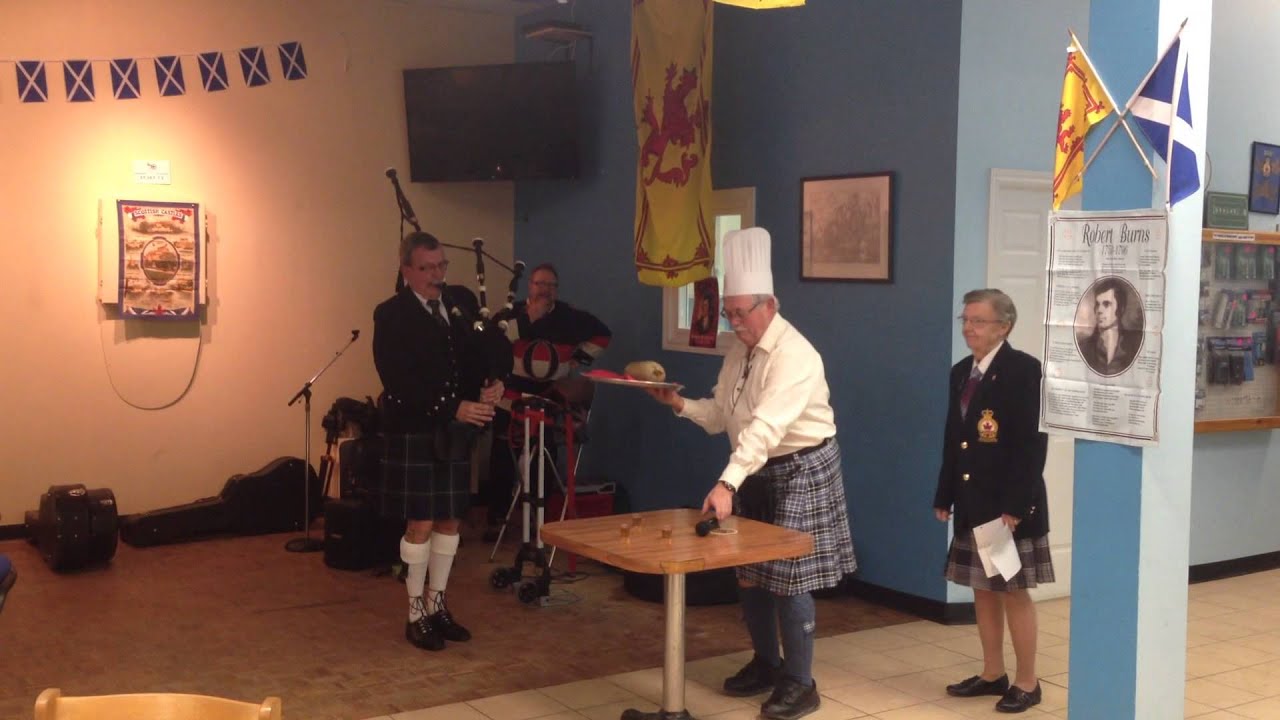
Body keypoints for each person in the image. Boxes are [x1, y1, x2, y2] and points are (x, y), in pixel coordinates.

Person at [645, 227, 855, 720]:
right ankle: (766, 663)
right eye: (729, 313)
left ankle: (801, 684)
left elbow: (764, 428)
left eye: (743, 313)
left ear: (771, 304)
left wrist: (726, 482)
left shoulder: (796, 356)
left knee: (788, 578)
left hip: (802, 467)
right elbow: (723, 415)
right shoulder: (738, 351)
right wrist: (677, 403)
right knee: (749, 575)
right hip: (755, 468)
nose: (735, 324)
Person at [373, 230, 504, 651]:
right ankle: (415, 614)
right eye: (427, 267)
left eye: (442, 265)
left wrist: (490, 385)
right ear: (406, 270)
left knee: (450, 520)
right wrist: (452, 407)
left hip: (455, 431)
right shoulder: (390, 315)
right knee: (422, 522)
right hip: (416, 428)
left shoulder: (458, 306)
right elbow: (397, 381)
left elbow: (477, 357)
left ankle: (437, 604)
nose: (436, 274)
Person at [934, 288, 1052, 714]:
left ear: (1004, 326)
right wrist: (945, 493)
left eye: (979, 321)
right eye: (965, 319)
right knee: (983, 591)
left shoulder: (1024, 371)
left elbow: (1031, 445)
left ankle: (1026, 681)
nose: (969, 328)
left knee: (1014, 591)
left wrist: (1015, 507)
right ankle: (991, 673)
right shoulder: (961, 371)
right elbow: (955, 439)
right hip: (973, 501)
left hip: (1008, 508)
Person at [484, 263, 611, 538]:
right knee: (503, 458)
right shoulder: (512, 314)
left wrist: (579, 359)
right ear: (529, 286)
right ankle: (498, 518)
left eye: (551, 285)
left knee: (544, 458)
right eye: (540, 284)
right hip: (511, 399)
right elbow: (492, 342)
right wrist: (529, 318)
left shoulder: (571, 317)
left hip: (550, 399)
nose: (545, 290)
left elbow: (603, 335)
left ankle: (539, 519)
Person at [1076, 277, 1142, 376]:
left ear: (1121, 308)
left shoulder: (1134, 344)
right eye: (1097, 304)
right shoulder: (1085, 347)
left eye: (1106, 304)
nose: (1099, 310)